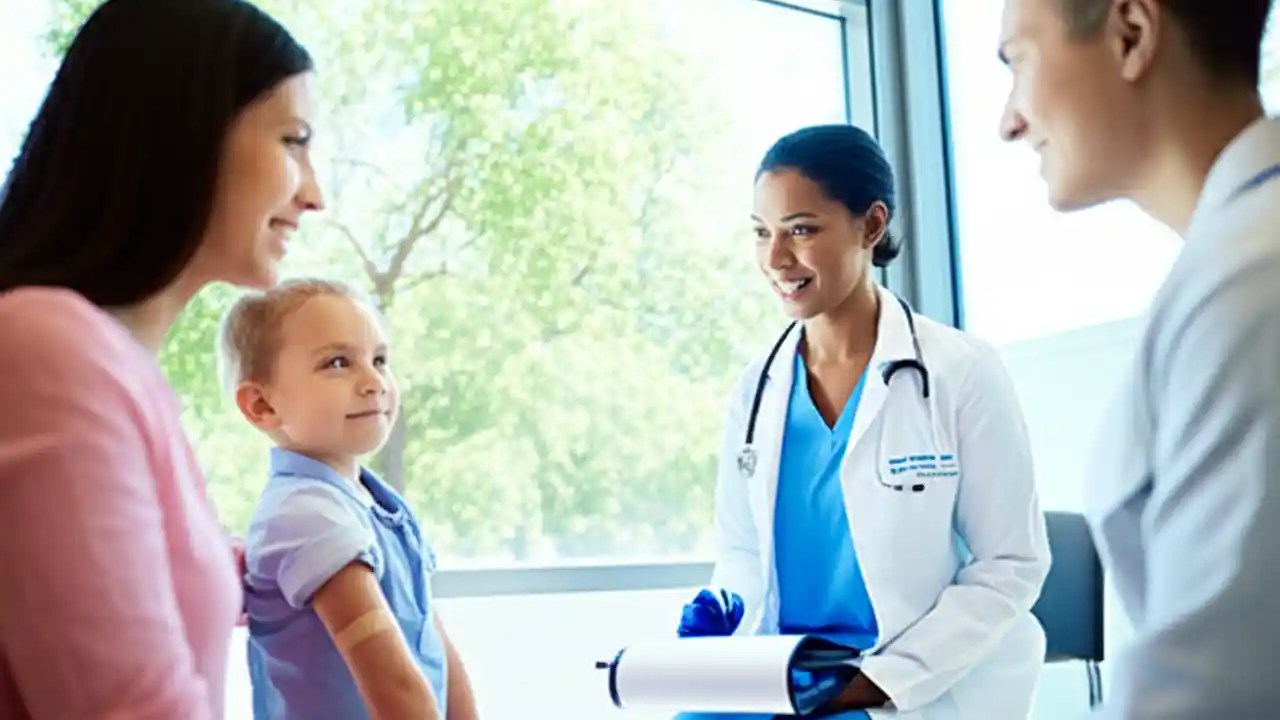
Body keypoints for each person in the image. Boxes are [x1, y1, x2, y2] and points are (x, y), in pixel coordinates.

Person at [0, 0, 323, 717]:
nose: (315, 193)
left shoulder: (104, 370)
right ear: (187, 134)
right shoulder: (48, 354)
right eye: (293, 141)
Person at [681, 124, 1051, 719]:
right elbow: (743, 551)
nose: (776, 258)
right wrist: (723, 610)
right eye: (761, 233)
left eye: (801, 230)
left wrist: (876, 682)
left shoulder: (961, 371)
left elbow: (1010, 566)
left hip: (905, 682)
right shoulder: (758, 389)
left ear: (871, 226)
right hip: (784, 676)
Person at [998, 0, 1280, 716]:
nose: (1009, 121)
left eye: (1019, 62)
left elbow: (1214, 691)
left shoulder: (1253, 284)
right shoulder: (1233, 265)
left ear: (1131, 33)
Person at [219, 278, 479, 720]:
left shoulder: (377, 503)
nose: (374, 381)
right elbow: (391, 683)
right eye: (338, 363)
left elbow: (431, 640)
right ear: (262, 406)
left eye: (379, 359)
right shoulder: (306, 515)